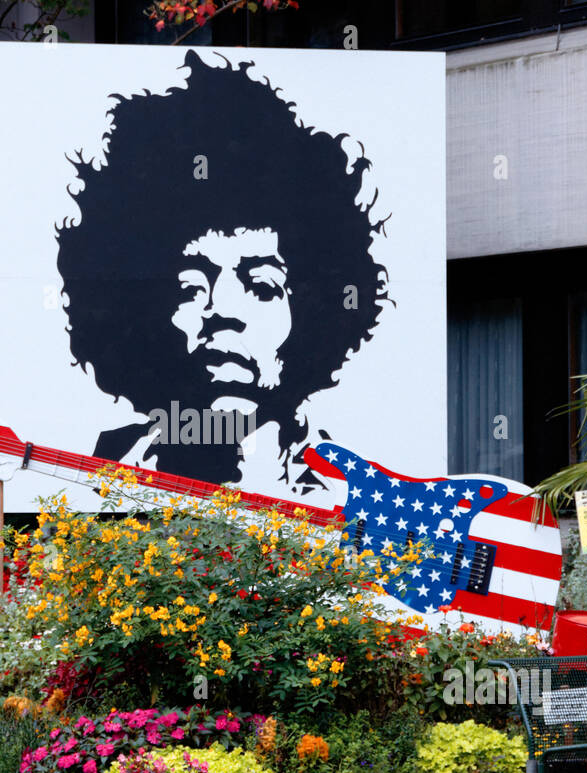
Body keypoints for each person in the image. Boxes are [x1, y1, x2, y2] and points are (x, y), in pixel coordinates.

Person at [56, 50, 389, 499]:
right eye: (191, 287)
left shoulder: (352, 491)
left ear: (317, 315)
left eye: (262, 285)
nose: (223, 312)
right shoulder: (105, 472)